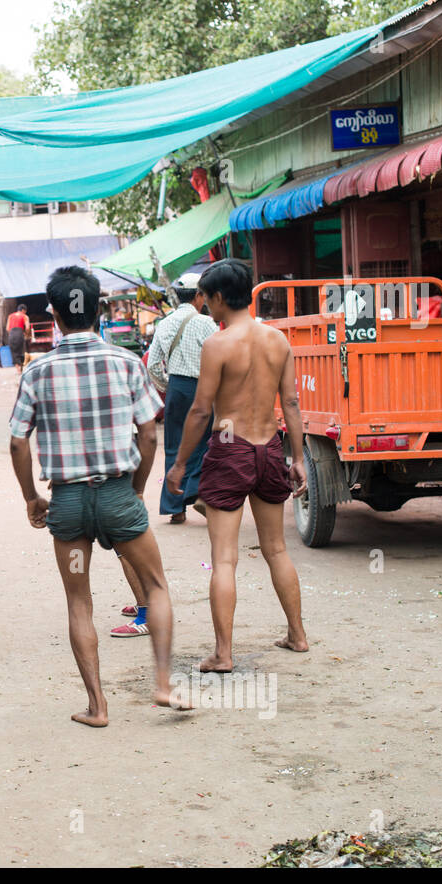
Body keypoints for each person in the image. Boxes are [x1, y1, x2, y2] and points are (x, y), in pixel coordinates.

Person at [10, 265, 190, 724]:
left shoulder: (37, 371)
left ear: (53, 311)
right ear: (100, 309)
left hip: (67, 506)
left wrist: (32, 497)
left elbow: (17, 441)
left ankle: (97, 706)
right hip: (117, 498)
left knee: (78, 600)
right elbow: (148, 436)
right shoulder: (126, 363)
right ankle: (164, 684)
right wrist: (134, 489)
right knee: (155, 586)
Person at [166, 259, 310, 673]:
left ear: (215, 298)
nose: (204, 305)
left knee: (224, 558)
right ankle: (297, 634)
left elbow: (199, 411)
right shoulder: (278, 340)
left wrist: (178, 466)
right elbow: (292, 404)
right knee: (277, 549)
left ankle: (223, 654)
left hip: (230, 449)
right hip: (268, 447)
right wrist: (296, 458)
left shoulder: (217, 344)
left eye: (205, 298)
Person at [147, 276, 217, 524]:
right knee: (206, 441)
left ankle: (174, 508)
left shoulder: (165, 324)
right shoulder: (207, 324)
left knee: (174, 445)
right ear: (199, 296)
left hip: (176, 388)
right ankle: (196, 492)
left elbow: (153, 364)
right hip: (202, 388)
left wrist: (169, 386)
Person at [6, 303, 31, 369]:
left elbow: (7, 328)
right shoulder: (25, 316)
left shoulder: (10, 316)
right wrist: (26, 334)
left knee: (13, 352)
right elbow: (28, 327)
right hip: (20, 333)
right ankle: (22, 367)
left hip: (11, 334)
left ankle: (18, 369)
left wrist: (12, 334)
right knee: (21, 351)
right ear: (23, 310)